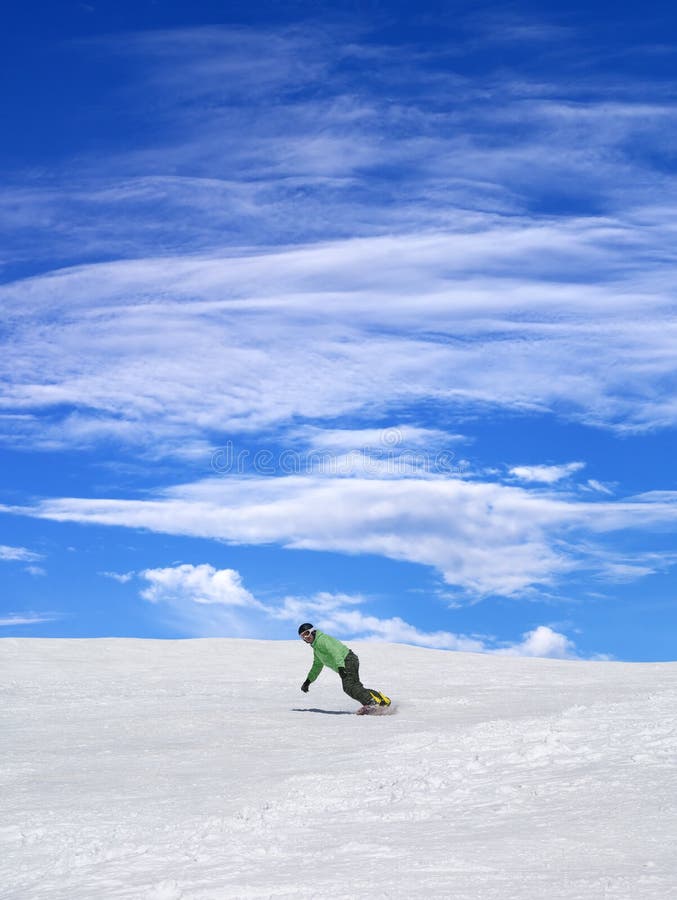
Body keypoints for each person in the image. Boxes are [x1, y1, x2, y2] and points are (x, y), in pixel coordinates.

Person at [298, 623, 391, 709]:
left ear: (313, 631)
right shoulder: (316, 649)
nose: (306, 637)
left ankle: (372, 703)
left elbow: (335, 652)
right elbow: (317, 666)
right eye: (303, 636)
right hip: (347, 661)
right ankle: (382, 701)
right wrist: (308, 681)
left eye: (307, 633)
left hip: (347, 660)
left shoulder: (322, 640)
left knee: (349, 686)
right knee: (355, 686)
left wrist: (341, 667)